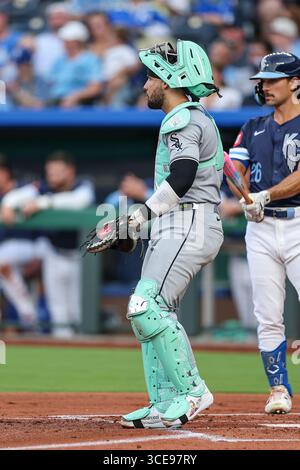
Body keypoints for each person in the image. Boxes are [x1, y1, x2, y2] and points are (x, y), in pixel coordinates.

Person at [119, 40, 224, 428]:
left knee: (146, 305)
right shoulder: (196, 119)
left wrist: (140, 214)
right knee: (152, 311)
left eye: (151, 77)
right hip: (179, 222)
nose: (146, 85)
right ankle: (164, 402)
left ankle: (193, 391)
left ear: (170, 79)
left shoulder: (181, 118)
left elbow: (183, 175)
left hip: (188, 221)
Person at [228, 52, 300, 414]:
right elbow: (235, 167)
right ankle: (278, 389)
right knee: (268, 315)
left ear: (295, 82)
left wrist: (265, 194)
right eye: (263, 80)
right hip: (260, 226)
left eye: (273, 80)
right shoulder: (253, 125)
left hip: (299, 223)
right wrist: (244, 197)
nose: (265, 86)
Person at [2, 151, 95, 337]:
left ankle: (85, 358)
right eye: (49, 172)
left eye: (57, 172)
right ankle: (67, 361)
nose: (52, 176)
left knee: (78, 313)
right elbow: (13, 197)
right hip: (54, 253)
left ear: (70, 171)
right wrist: (6, 205)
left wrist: (42, 203)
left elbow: (79, 201)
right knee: (59, 315)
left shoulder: (83, 186)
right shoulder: (42, 187)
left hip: (82, 256)